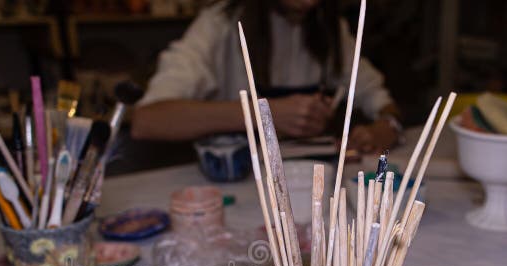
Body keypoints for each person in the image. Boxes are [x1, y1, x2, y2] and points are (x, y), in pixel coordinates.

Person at [131, 0, 402, 152]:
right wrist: (263, 114)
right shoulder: (219, 25)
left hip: (308, 185)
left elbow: (378, 97)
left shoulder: (329, 29)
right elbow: (147, 120)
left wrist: (386, 126)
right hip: (241, 187)